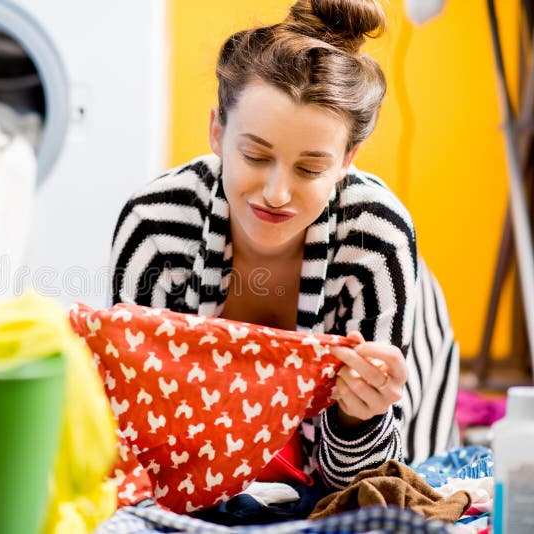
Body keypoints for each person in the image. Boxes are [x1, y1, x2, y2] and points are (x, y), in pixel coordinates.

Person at [110, 0, 458, 494]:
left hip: (405, 313)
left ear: (347, 162)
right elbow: (137, 437)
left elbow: (367, 483)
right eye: (255, 155)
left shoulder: (377, 242)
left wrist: (359, 419)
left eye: (310, 169)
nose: (276, 193)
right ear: (217, 131)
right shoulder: (156, 227)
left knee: (409, 493)